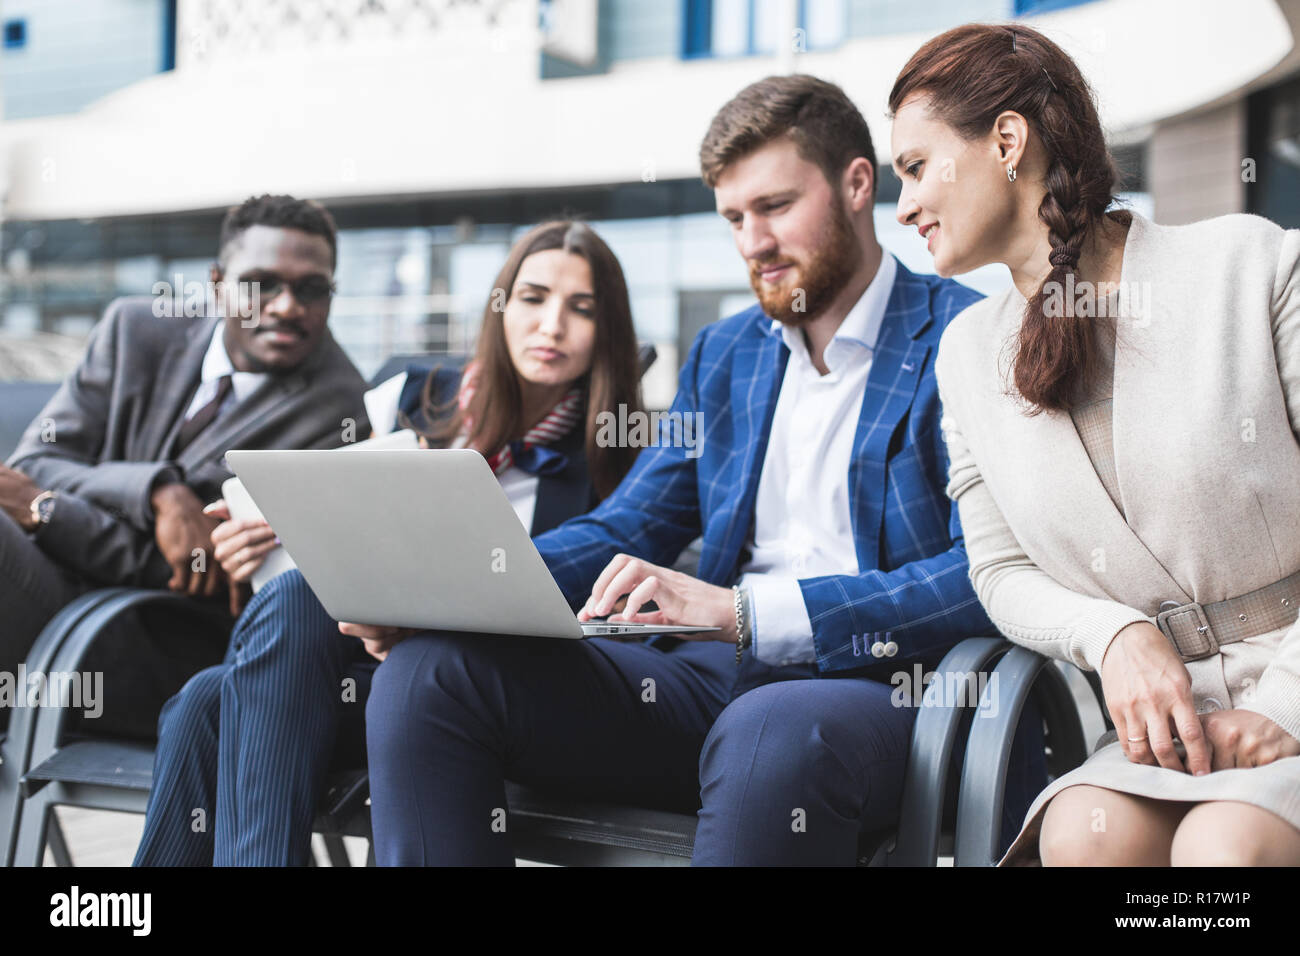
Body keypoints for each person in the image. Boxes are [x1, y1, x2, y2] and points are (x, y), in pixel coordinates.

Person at [358, 74, 1044, 866]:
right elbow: (632, 522)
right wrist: (450, 592)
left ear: (859, 184)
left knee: (769, 735)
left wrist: (750, 613)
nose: (752, 241)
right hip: (704, 683)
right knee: (429, 673)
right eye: (733, 218)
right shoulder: (727, 353)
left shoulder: (967, 337)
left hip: (889, 689)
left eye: (776, 207)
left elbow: (984, 576)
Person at [890, 22, 1300, 866]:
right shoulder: (966, 357)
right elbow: (999, 570)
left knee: (1226, 849)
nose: (905, 206)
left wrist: (1287, 706)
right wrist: (1110, 634)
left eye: (916, 167)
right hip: (1166, 725)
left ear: (1007, 140)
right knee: (1081, 836)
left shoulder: (1249, 267)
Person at [134, 219, 647, 866]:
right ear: (501, 304)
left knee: (220, 686)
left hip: (471, 695)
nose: (551, 327)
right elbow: (334, 523)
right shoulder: (410, 395)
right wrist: (267, 537)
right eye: (534, 298)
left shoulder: (622, 459)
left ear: (610, 329)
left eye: (582, 309)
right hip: (353, 673)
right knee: (211, 688)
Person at [0, 194, 369, 734]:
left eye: (312, 288)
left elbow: (187, 568)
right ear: (218, 284)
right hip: (48, 598)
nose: (288, 306)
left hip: (152, 640)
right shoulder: (136, 329)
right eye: (261, 283)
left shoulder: (341, 412)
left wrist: (43, 508)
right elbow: (39, 458)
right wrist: (160, 492)